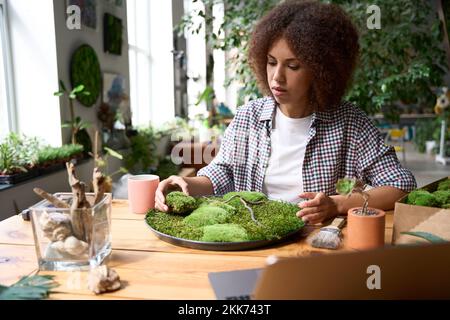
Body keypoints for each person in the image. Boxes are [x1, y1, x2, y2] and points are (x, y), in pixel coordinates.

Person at [155, 0, 416, 224]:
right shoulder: (249, 116)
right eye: (271, 62)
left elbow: (401, 186)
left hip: (318, 245)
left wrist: (337, 204)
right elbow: (223, 172)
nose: (277, 77)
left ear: (321, 70)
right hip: (254, 238)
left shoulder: (350, 123)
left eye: (293, 66)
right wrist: (187, 186)